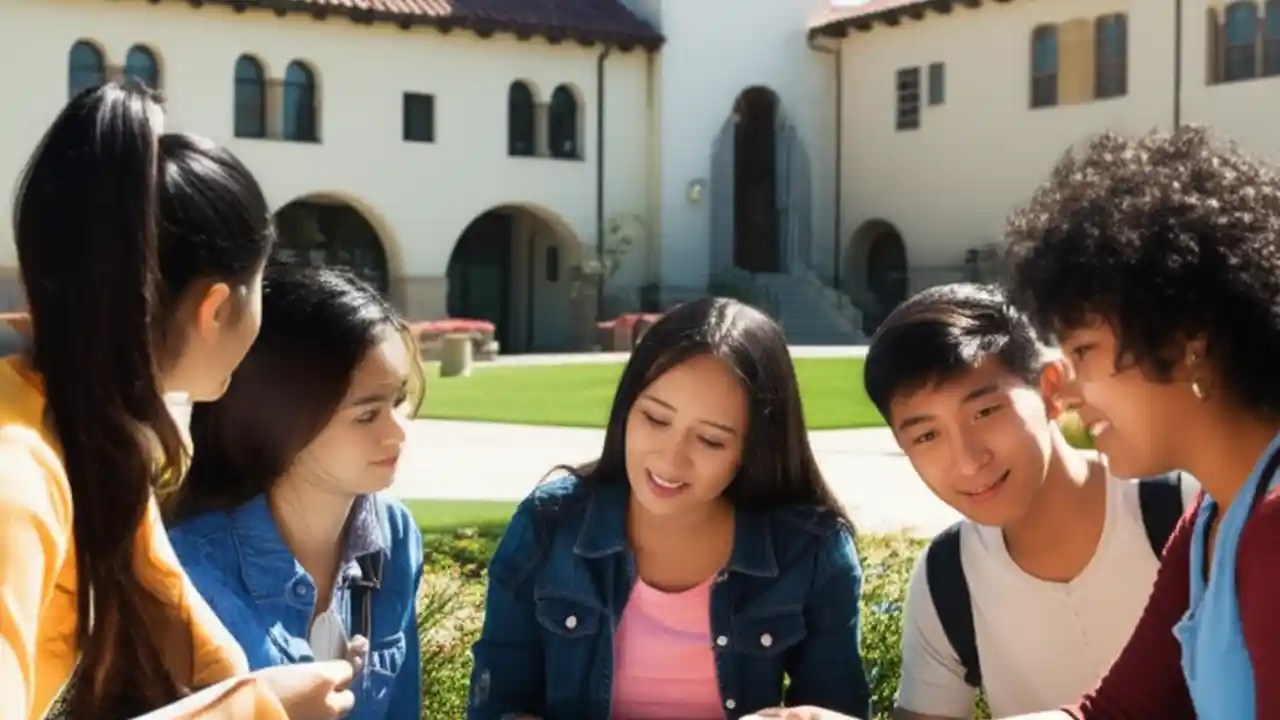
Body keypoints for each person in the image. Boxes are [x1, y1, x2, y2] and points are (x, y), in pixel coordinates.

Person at [0, 82, 353, 719]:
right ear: (217, 307)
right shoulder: (19, 476)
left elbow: (184, 646)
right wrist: (253, 706)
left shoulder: (86, 433)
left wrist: (247, 693)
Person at [466, 297, 872, 720]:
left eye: (711, 440)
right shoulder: (547, 527)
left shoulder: (811, 550)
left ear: (752, 451)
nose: (671, 460)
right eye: (656, 420)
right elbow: (497, 705)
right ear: (627, 408)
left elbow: (837, 706)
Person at [995, 127, 1280, 719]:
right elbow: (1112, 712)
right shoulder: (1211, 517)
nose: (1064, 390)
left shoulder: (1274, 529)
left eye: (1083, 351)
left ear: (1184, 342)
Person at [863, 283, 1195, 719]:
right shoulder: (948, 577)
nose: (967, 461)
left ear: (1049, 388)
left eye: (985, 411)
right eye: (927, 435)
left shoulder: (1185, 512)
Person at [165, 265, 424, 720]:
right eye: (367, 415)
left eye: (398, 402)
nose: (398, 433)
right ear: (283, 422)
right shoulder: (188, 567)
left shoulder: (396, 534)